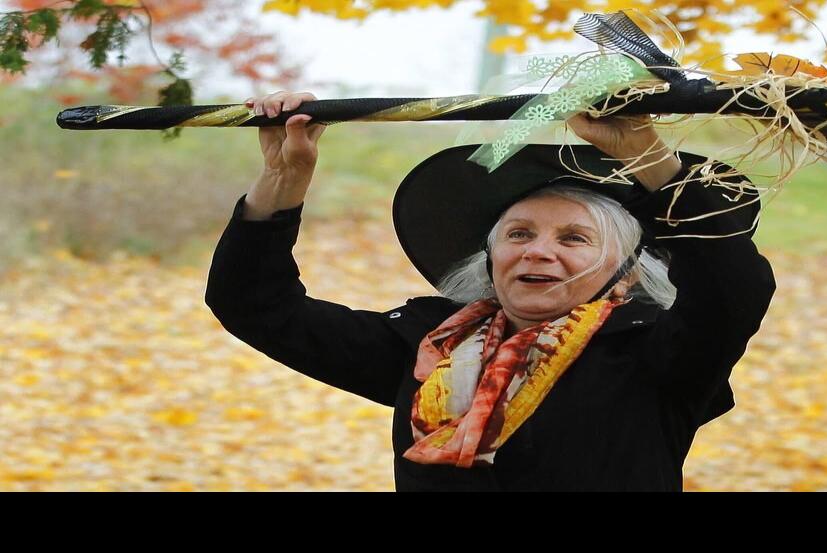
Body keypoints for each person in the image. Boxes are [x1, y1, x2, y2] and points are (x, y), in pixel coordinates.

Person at [205, 91, 775, 491]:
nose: (538, 251)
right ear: (491, 256)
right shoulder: (428, 345)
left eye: (574, 238)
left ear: (626, 274)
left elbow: (730, 286)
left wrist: (647, 158)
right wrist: (283, 180)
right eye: (518, 234)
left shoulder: (659, 356)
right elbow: (255, 305)